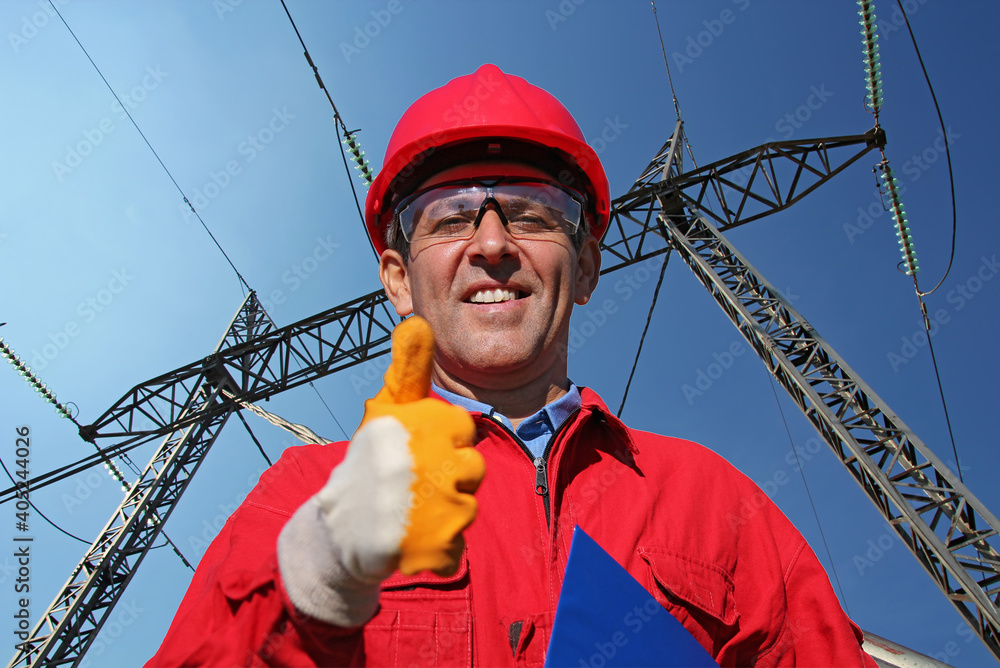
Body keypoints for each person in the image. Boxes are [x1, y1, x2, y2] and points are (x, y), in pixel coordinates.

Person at [149, 64, 875, 667]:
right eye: (451, 216)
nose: (492, 243)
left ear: (586, 268)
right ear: (399, 279)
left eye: (531, 213)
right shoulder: (309, 493)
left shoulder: (710, 499)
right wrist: (315, 585)